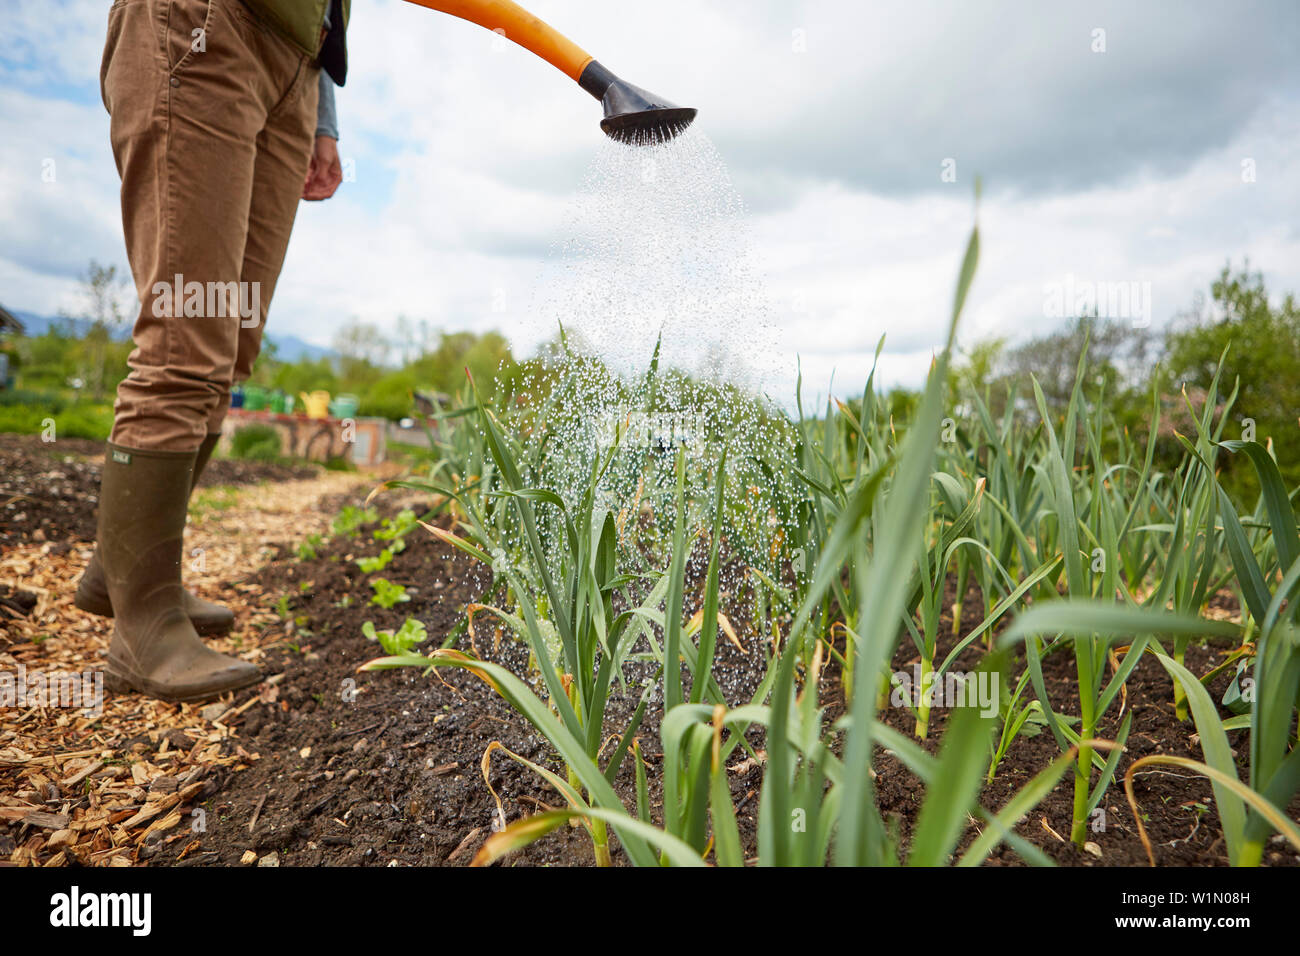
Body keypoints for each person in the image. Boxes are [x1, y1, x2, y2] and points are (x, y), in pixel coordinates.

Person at [77, 0, 349, 702]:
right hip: (206, 24)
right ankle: (145, 632)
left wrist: (322, 118)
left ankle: (125, 574)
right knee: (185, 335)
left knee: (230, 347)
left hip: (298, 62)